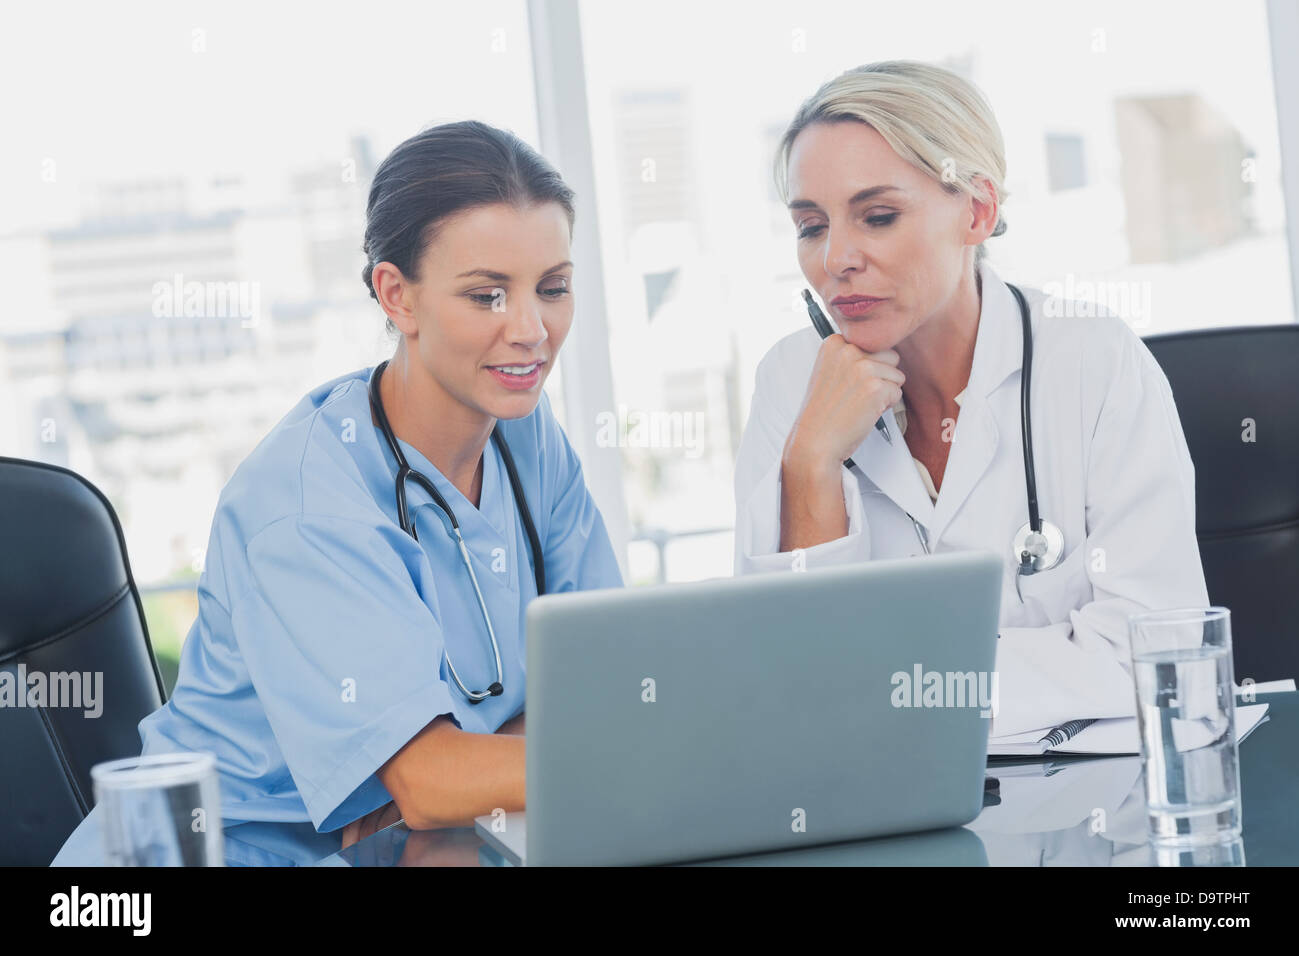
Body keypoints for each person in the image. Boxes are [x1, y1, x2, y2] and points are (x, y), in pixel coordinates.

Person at [53, 120, 623, 865]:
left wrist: (462, 765)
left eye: (553, 288)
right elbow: (430, 781)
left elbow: (605, 683)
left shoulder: (525, 433)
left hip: (413, 846)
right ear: (398, 296)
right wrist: (443, 773)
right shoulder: (305, 501)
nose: (531, 329)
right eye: (486, 295)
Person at [733, 61, 1209, 737]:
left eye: (877, 216)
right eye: (811, 226)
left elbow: (1157, 654)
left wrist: (890, 685)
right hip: (874, 814)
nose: (836, 258)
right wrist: (810, 461)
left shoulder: (1092, 361)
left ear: (978, 211)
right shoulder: (789, 383)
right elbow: (790, 689)